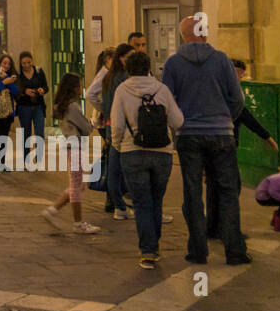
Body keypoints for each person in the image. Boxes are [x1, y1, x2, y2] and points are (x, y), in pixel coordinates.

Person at [160, 15, 249, 266]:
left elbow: (168, 102)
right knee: (227, 191)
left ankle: (198, 251)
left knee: (192, 192)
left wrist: (180, 125)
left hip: (189, 135)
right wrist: (224, 120)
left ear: (183, 36)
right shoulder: (221, 60)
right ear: (205, 33)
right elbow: (238, 99)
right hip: (221, 133)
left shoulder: (173, 63)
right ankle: (235, 250)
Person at [111, 50, 185, 268]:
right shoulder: (162, 89)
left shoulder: (122, 90)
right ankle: (155, 245)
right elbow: (178, 121)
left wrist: (119, 145)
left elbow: (116, 125)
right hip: (162, 153)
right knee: (156, 200)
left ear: (128, 69)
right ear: (148, 67)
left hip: (132, 152)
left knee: (142, 202)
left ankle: (148, 251)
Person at [206, 58, 279, 239]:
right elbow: (244, 115)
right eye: (239, 72)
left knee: (216, 187)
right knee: (230, 187)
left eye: (242, 73)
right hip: (223, 146)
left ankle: (213, 227)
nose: (241, 76)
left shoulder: (218, 89)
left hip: (214, 145)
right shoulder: (229, 92)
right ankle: (227, 230)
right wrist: (266, 136)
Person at [42, 72, 100, 234]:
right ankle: (78, 223)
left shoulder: (63, 105)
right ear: (75, 88)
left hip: (70, 145)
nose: (82, 88)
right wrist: (93, 122)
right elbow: (86, 128)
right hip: (75, 147)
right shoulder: (73, 106)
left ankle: (52, 210)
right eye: (80, 85)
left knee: (79, 185)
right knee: (76, 186)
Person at [100, 43, 135, 219]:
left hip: (114, 127)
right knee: (119, 169)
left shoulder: (111, 77)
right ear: (120, 58)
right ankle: (120, 206)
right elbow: (111, 107)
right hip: (120, 128)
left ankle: (119, 206)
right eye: (127, 57)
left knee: (115, 169)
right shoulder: (120, 78)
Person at [15, 51, 49, 146]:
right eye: (24, 63)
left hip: (38, 106)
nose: (27, 65)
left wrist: (42, 90)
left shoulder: (39, 71)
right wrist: (25, 91)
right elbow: (15, 90)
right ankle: (26, 158)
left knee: (39, 133)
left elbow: (46, 87)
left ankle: (39, 157)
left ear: (32, 61)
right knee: (26, 134)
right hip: (24, 107)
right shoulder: (18, 74)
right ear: (20, 63)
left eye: (29, 62)